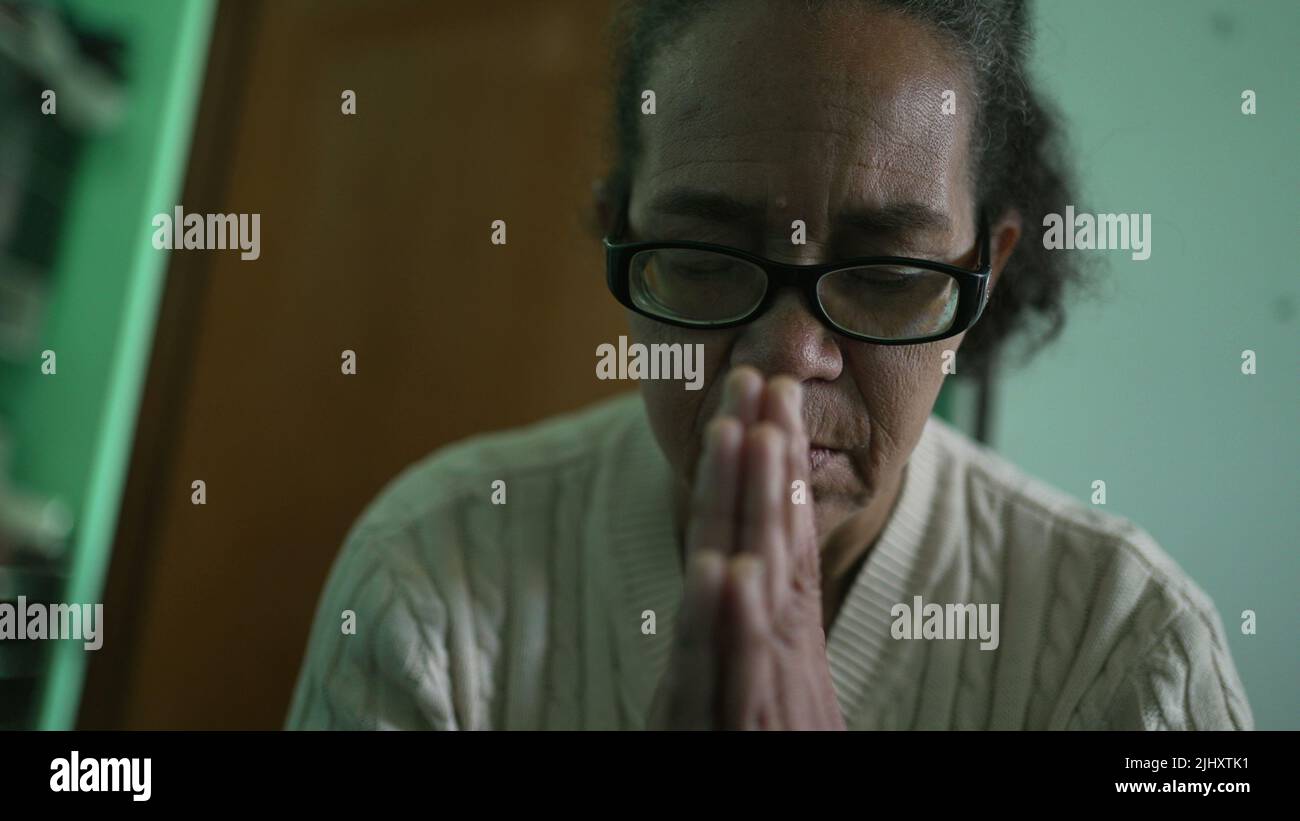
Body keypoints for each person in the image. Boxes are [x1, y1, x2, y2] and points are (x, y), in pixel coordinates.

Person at [287, 0, 1252, 730]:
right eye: (708, 261)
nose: (788, 356)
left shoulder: (1124, 650)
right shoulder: (431, 576)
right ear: (619, 235)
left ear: (984, 271)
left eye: (884, 273)